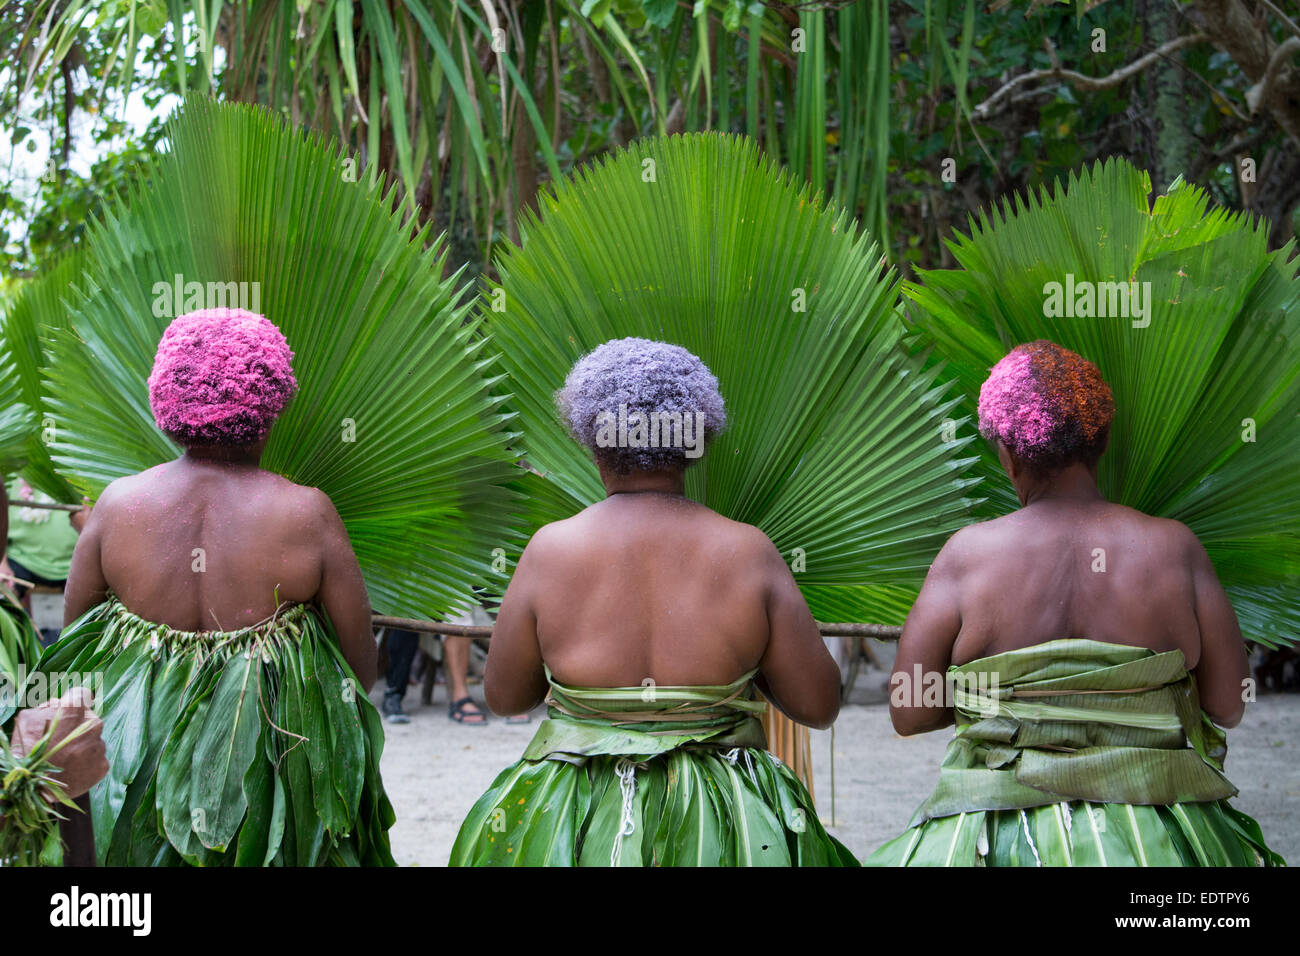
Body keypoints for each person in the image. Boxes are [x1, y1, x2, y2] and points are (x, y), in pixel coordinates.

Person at [866, 340, 1283, 867]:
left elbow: (910, 710)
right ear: (1102, 442)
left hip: (998, 832)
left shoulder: (967, 556)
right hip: (1157, 839)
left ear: (1008, 455)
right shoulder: (1174, 547)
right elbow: (1228, 703)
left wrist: (1012, 704)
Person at [450, 337, 855, 866]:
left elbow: (504, 697)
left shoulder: (550, 550)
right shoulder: (747, 551)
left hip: (574, 813)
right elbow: (819, 705)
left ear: (593, 444)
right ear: (697, 442)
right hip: (729, 821)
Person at [42, 307, 395, 866]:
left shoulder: (117, 505)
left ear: (165, 405)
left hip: (134, 776)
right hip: (275, 777)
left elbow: (76, 651)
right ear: (272, 406)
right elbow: (362, 670)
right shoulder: (307, 513)